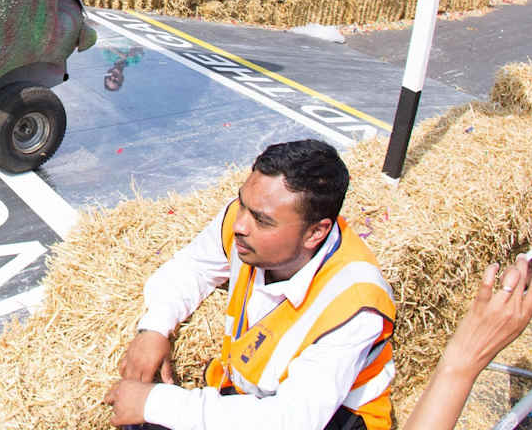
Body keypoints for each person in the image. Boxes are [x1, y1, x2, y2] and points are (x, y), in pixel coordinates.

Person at [105, 140, 395, 429]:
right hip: (249, 394)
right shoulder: (246, 225)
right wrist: (154, 328)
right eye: (243, 203)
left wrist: (156, 402)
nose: (240, 225)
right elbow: (191, 267)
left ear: (315, 233)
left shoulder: (355, 304)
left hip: (329, 419)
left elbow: (293, 421)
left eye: (262, 220)